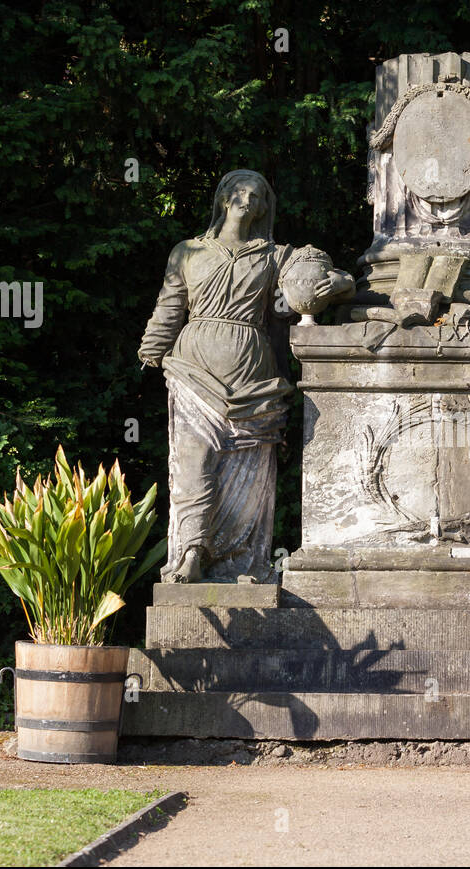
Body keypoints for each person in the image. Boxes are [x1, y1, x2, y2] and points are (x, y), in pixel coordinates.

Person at [138, 170, 354, 582]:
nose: (247, 201)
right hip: (192, 370)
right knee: (192, 465)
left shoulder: (274, 256)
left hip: (252, 377)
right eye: (240, 192)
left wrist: (335, 285)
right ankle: (191, 552)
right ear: (223, 198)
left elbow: (323, 279)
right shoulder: (187, 252)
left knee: (247, 474)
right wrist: (151, 351)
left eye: (257, 197)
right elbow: (169, 309)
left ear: (263, 209)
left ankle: (238, 561)